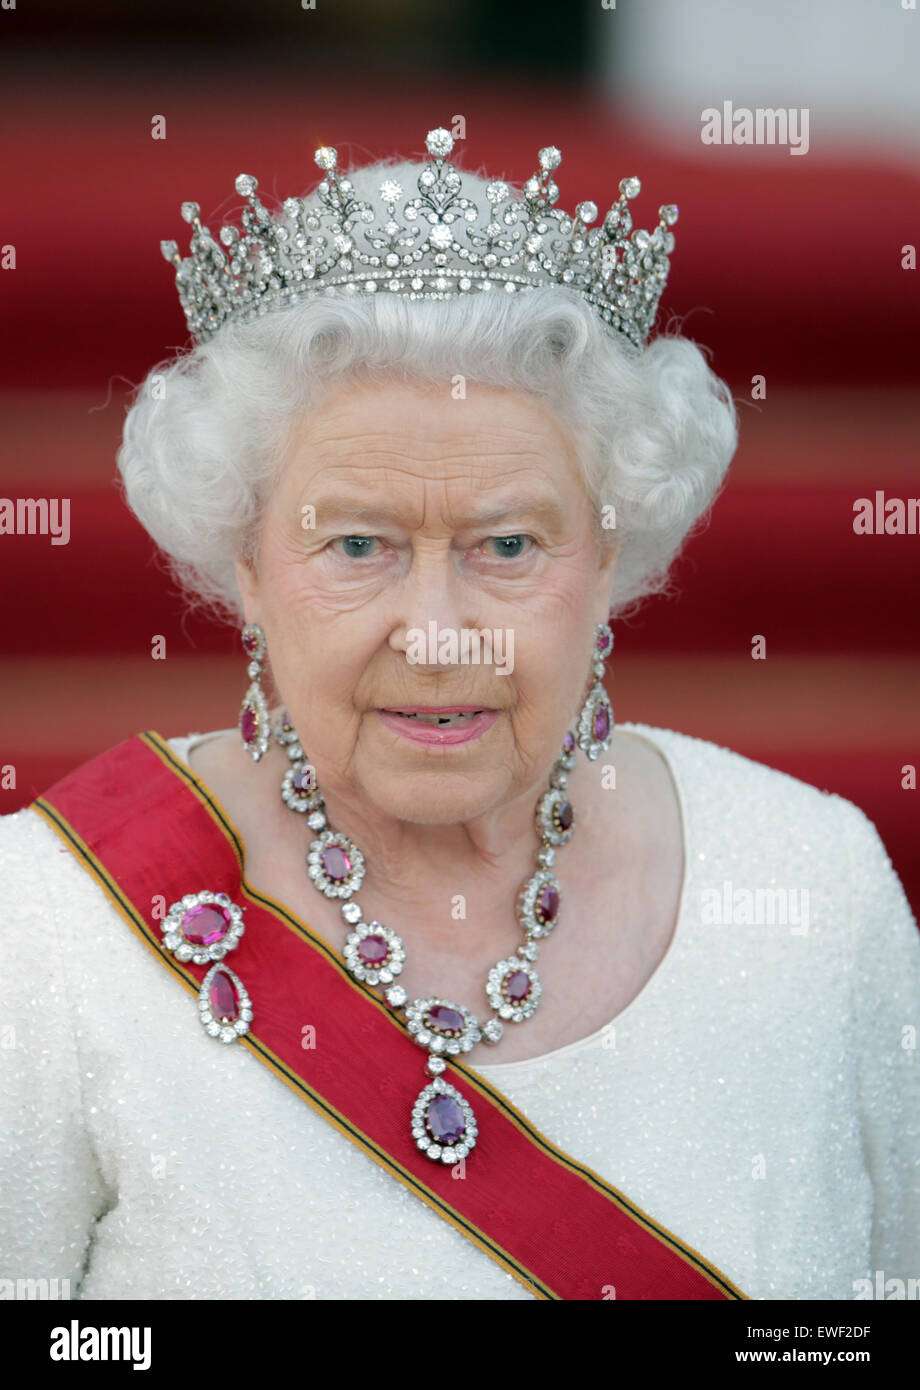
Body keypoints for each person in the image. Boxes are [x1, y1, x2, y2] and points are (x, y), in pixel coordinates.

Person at [1, 126, 917, 1302]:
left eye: (505, 544)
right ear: (245, 562)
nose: (436, 635)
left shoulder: (811, 888)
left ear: (607, 554)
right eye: (357, 544)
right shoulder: (51, 933)